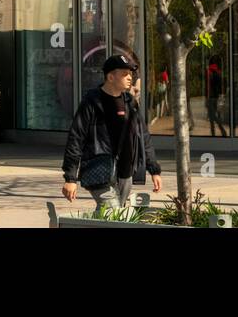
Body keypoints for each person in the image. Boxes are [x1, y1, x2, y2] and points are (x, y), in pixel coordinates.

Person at [62, 54, 163, 209]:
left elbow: (143, 137)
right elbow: (76, 138)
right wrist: (70, 178)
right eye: (124, 74)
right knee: (113, 211)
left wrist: (154, 169)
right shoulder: (92, 102)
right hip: (99, 170)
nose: (130, 78)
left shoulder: (130, 103)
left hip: (125, 172)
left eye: (131, 74)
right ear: (110, 77)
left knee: (114, 217)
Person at [205, 56, 227, 137]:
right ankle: (213, 133)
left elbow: (207, 85)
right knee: (212, 116)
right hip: (216, 96)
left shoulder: (208, 72)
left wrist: (206, 97)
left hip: (210, 96)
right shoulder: (218, 72)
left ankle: (220, 130)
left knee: (212, 116)